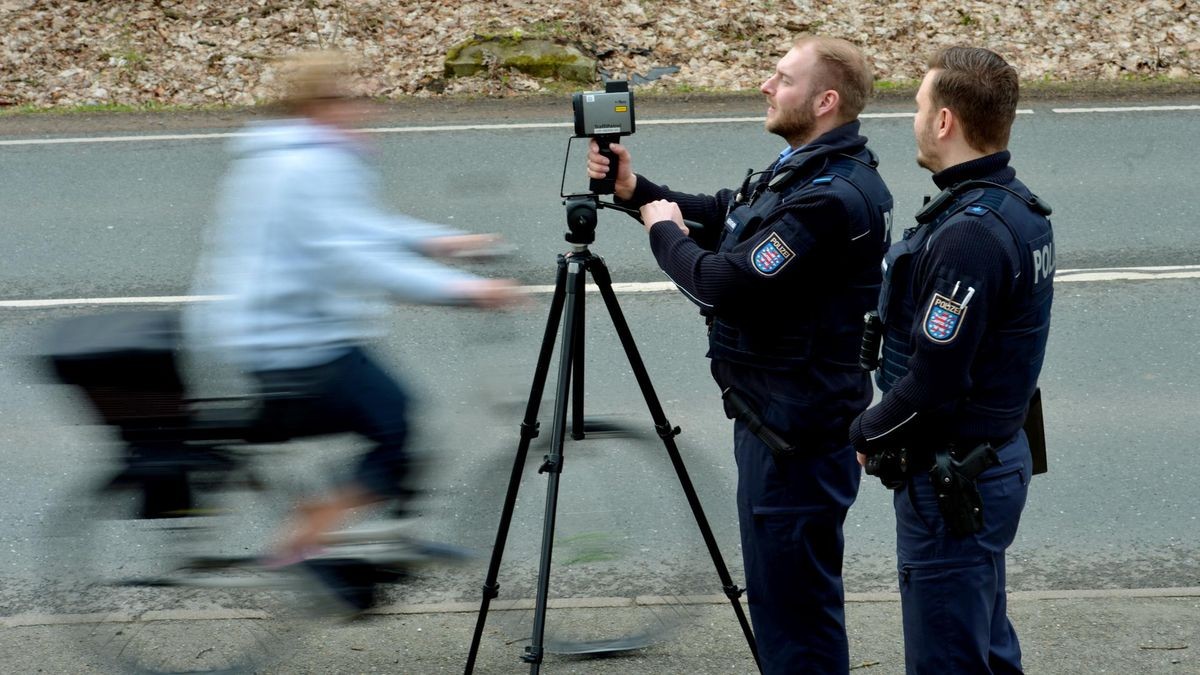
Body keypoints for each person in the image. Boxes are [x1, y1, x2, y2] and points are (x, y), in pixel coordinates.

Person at [588, 36, 893, 674]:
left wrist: (661, 230)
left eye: (781, 78)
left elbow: (724, 285)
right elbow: (731, 217)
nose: (765, 85)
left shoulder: (829, 199)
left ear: (824, 101)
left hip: (797, 438)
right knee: (787, 605)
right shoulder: (805, 170)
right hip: (776, 423)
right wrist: (636, 189)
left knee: (795, 617)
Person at [185, 50, 519, 589]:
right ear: (319, 104)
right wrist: (463, 289)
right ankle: (306, 543)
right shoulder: (309, 164)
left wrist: (439, 240)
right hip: (286, 347)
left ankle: (367, 537)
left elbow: (356, 226)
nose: (363, 109)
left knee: (388, 412)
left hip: (268, 335)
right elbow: (351, 255)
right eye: (349, 98)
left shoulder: (288, 153)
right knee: (395, 417)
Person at [849, 46, 1054, 673]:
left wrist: (864, 431)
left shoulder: (967, 232)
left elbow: (936, 380)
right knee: (986, 645)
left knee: (948, 656)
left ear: (945, 121)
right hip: (995, 457)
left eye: (918, 106)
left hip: (952, 478)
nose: (913, 119)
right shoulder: (1017, 206)